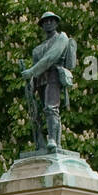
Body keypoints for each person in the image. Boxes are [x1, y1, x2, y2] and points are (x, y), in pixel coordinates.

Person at [20, 11, 76, 152]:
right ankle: (44, 142)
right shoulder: (37, 50)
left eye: (51, 20)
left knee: (51, 108)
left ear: (56, 23)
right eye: (45, 22)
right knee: (38, 113)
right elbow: (37, 67)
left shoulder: (62, 38)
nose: (48, 23)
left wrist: (31, 71)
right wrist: (30, 83)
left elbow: (51, 58)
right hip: (40, 80)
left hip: (53, 76)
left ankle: (52, 139)